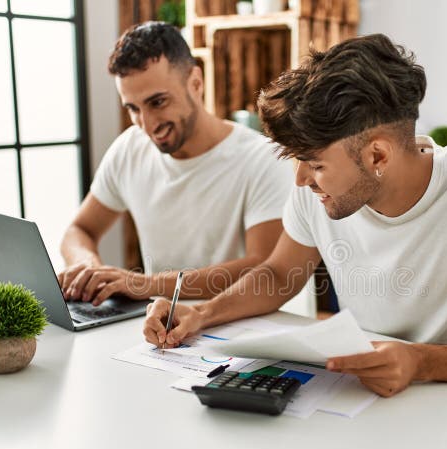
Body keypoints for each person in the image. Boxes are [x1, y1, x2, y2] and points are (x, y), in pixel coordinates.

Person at [143, 34, 447, 397]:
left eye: (315, 163)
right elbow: (279, 274)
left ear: (377, 155)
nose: (301, 179)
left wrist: (421, 362)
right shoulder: (317, 190)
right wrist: (202, 315)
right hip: (360, 395)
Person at [59, 22, 293, 305]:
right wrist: (87, 267)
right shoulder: (130, 147)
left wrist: (142, 284)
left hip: (246, 328)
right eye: (133, 108)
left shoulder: (263, 159)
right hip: (162, 330)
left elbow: (264, 269)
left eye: (157, 102)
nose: (147, 124)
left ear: (196, 83)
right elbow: (79, 230)